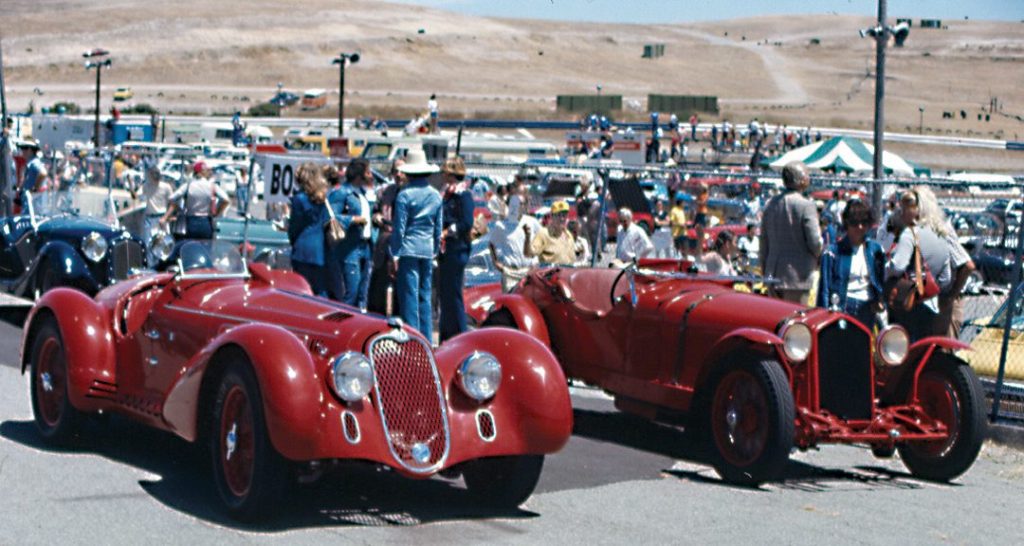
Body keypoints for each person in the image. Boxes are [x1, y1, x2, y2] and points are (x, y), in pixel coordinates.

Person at [885, 189, 953, 342]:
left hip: (909, 305)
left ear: (916, 211)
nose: (901, 214)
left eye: (904, 209)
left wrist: (885, 268)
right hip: (932, 306)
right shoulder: (941, 234)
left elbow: (898, 267)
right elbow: (946, 278)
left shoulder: (909, 234)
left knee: (904, 352)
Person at [390, 149, 443, 339]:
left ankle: (413, 338)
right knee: (425, 296)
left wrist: (395, 253)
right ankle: (427, 338)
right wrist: (435, 248)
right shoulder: (436, 195)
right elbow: (438, 227)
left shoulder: (404, 195)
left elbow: (399, 228)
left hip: (409, 248)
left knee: (409, 296)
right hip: (427, 248)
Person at [913, 186, 976, 338]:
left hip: (944, 303)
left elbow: (967, 265)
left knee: (942, 353)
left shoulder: (941, 230)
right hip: (924, 301)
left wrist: (950, 296)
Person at [759, 162, 823, 304]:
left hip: (773, 274)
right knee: (795, 321)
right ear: (801, 180)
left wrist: (765, 271)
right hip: (798, 277)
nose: (809, 178)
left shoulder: (770, 204)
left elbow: (763, 242)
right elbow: (814, 242)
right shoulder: (806, 206)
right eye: (807, 174)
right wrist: (820, 251)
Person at [816, 199, 886, 328]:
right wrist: (822, 318)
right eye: (854, 223)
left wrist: (881, 301)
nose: (860, 227)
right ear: (846, 223)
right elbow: (824, 290)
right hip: (841, 307)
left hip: (867, 308)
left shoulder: (876, 250)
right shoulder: (832, 253)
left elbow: (881, 282)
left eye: (864, 223)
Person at [329, 158, 375, 309]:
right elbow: (331, 216)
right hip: (350, 247)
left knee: (363, 293)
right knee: (352, 292)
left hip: (365, 246)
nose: (371, 175)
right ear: (359, 174)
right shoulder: (342, 193)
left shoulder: (362, 194)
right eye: (368, 172)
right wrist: (353, 219)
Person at [438, 157, 475, 342]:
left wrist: (447, 231)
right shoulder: (447, 194)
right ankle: (447, 335)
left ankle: (461, 336)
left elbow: (467, 222)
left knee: (454, 295)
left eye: (446, 172)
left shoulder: (464, 195)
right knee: (445, 294)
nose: (443, 175)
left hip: (457, 248)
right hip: (447, 250)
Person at [367, 158, 407, 314]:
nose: (398, 174)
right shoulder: (386, 192)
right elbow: (376, 210)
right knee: (377, 288)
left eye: (402, 171)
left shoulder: (411, 194)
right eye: (395, 171)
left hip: (404, 246)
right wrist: (376, 216)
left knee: (401, 289)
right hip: (384, 243)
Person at [287, 163, 331, 297]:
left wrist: (291, 239)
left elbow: (295, 226)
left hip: (302, 248)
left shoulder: (299, 199)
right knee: (321, 289)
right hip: (320, 248)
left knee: (302, 289)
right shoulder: (322, 197)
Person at [162, 161, 230, 240]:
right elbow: (226, 200)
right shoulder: (212, 186)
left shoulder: (188, 185)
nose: (208, 173)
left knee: (191, 246)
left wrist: (179, 209)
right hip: (206, 221)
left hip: (191, 220)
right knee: (205, 248)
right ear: (201, 172)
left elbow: (172, 198)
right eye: (206, 171)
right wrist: (217, 213)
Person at [139, 164, 173, 264]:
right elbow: (136, 195)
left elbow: (172, 203)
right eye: (153, 174)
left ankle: (162, 266)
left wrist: (166, 217)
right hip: (149, 218)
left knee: (162, 244)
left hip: (161, 218)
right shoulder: (146, 186)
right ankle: (150, 265)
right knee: (148, 244)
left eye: (157, 174)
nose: (155, 176)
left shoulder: (166, 187)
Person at [524, 200, 576, 265]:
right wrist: (527, 237)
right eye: (558, 215)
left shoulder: (568, 235)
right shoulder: (544, 234)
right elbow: (529, 254)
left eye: (564, 215)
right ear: (551, 216)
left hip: (568, 273)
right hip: (551, 273)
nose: (562, 218)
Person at [17, 139, 48, 206]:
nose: (22, 151)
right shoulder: (31, 163)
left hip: (34, 203)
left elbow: (43, 173)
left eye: (24, 148)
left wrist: (34, 190)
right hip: (30, 202)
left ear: (30, 150)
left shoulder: (34, 163)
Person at [669, 192, 688, 257]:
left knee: (685, 249)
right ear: (680, 202)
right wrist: (680, 225)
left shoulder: (682, 210)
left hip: (683, 233)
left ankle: (686, 261)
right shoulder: (674, 210)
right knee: (676, 251)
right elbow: (671, 223)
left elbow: (683, 221)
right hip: (676, 234)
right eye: (683, 202)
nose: (684, 203)